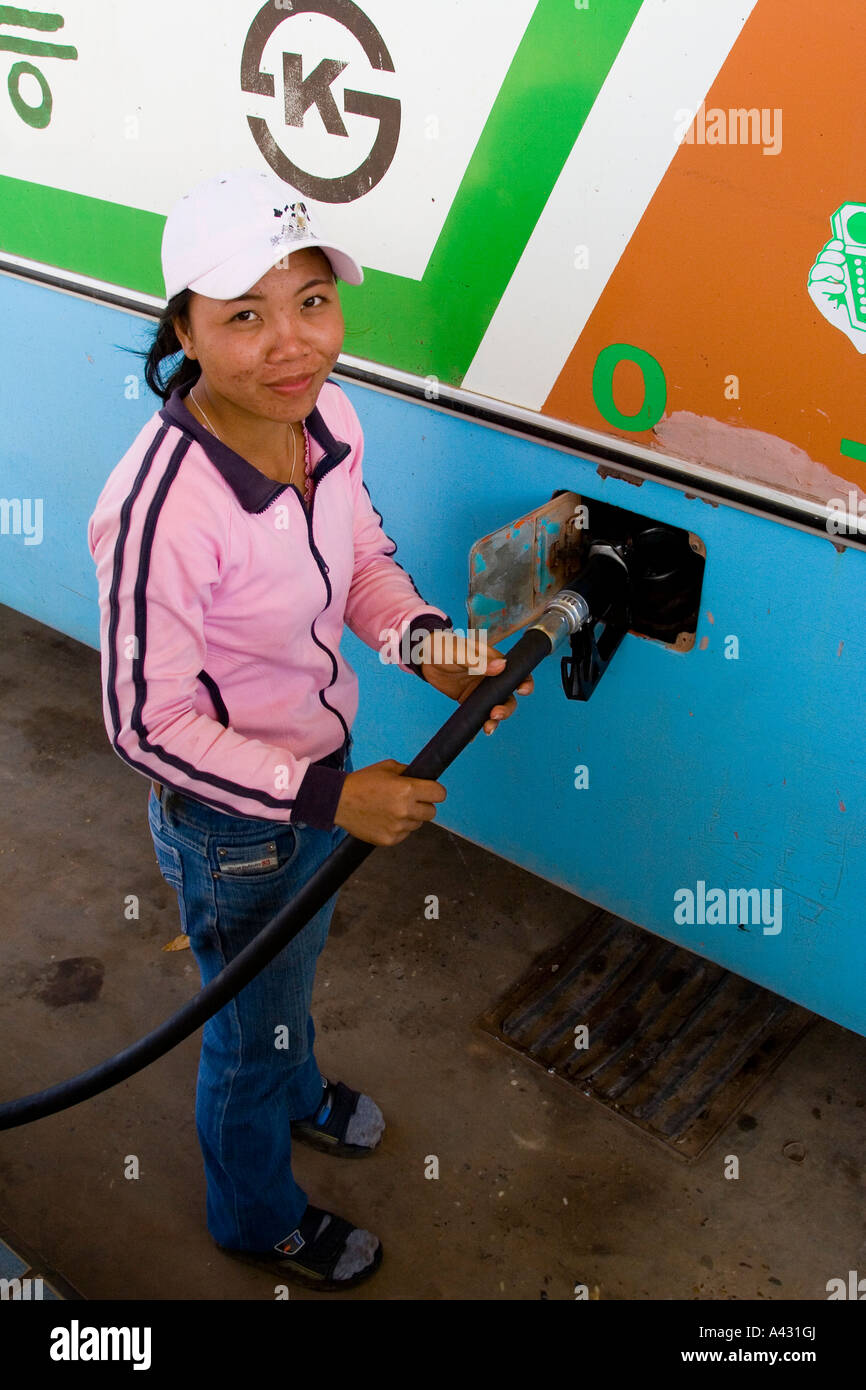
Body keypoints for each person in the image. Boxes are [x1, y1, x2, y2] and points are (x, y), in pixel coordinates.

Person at [87, 167, 534, 1292]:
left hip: (317, 778)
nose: (292, 344)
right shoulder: (159, 509)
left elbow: (364, 565)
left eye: (312, 302)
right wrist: (330, 798)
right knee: (243, 1031)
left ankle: (300, 1090)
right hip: (235, 824)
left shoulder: (325, 416)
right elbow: (146, 722)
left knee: (284, 980)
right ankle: (255, 1214)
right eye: (244, 316)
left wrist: (429, 645)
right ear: (183, 329)